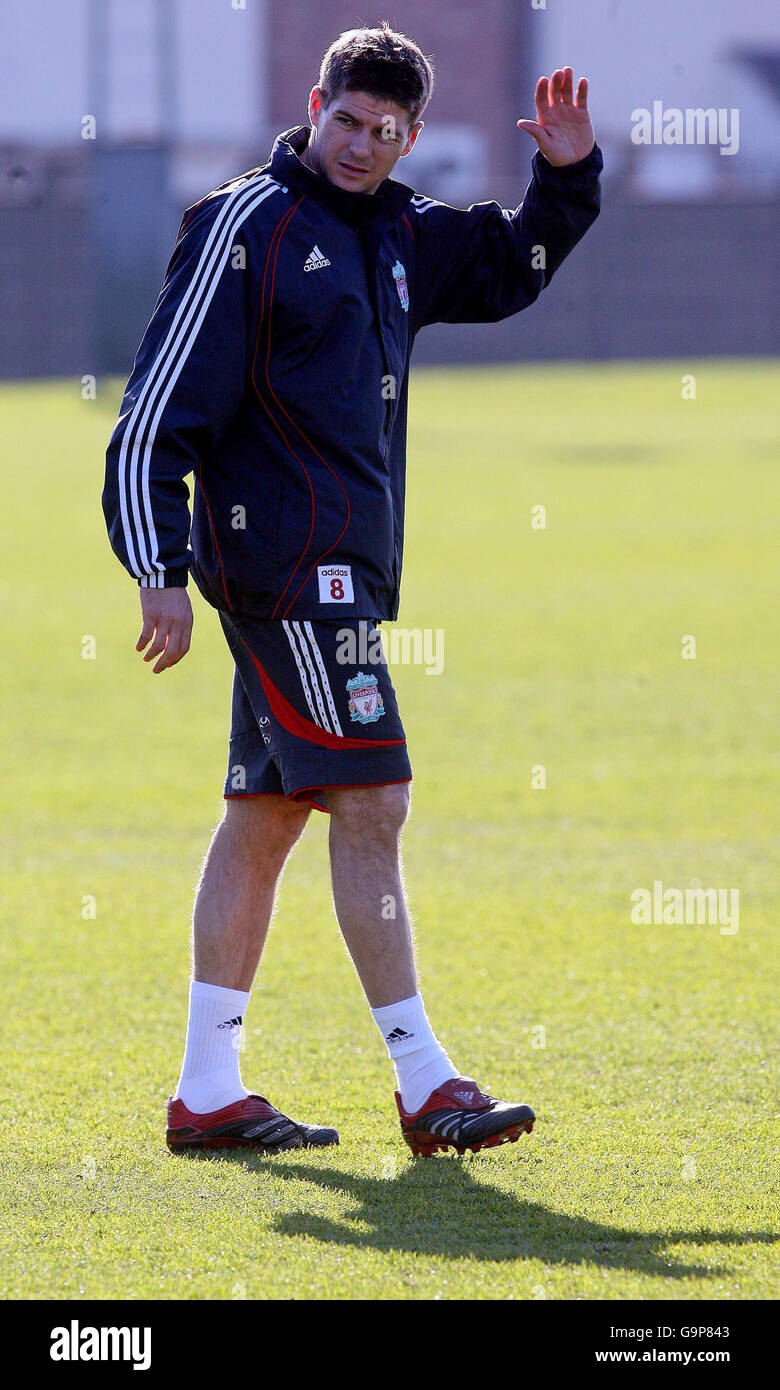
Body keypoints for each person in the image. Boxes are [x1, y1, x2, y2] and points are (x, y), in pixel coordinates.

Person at [102, 23, 602, 1158]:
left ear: (410, 135)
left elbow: (509, 268)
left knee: (269, 814)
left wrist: (567, 176)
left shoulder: (396, 231)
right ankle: (428, 1081)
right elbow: (153, 416)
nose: (361, 147)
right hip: (286, 575)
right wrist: (156, 566)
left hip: (340, 578)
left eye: (385, 132)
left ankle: (207, 1089)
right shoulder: (245, 225)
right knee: (375, 802)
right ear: (314, 103)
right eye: (346, 121)